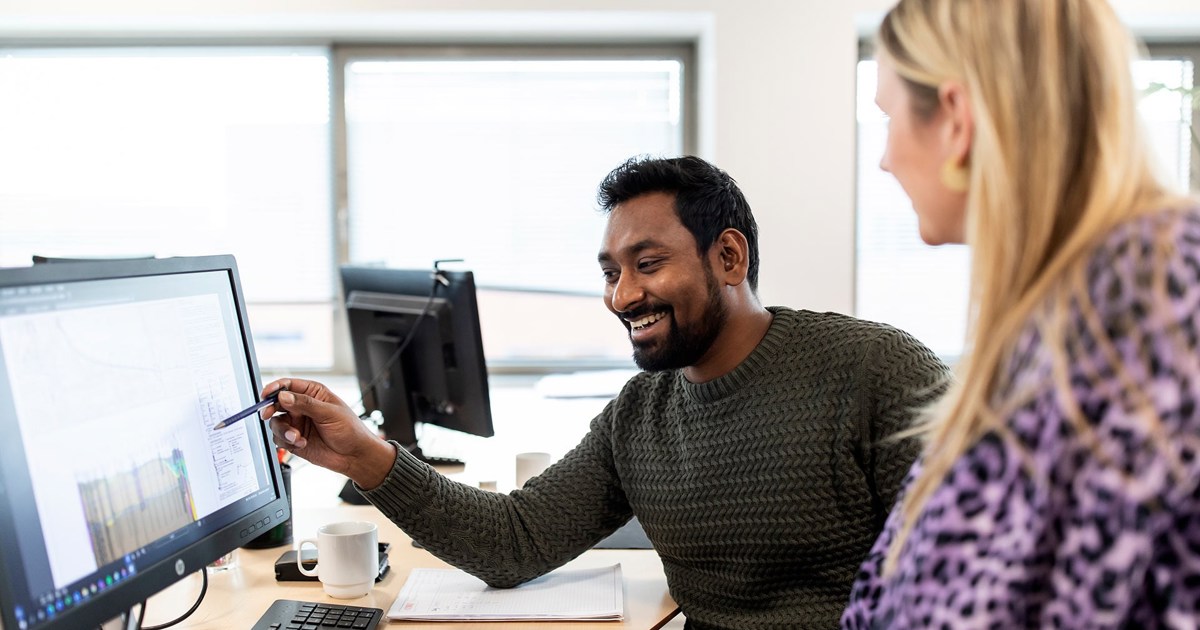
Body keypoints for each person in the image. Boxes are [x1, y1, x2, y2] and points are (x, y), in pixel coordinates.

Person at [264, 156, 949, 629]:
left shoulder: (875, 372)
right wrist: (366, 456)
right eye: (609, 272)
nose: (622, 296)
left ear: (729, 258)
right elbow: (515, 542)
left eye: (647, 264)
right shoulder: (638, 416)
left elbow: (969, 591)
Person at [841, 0, 1200, 627]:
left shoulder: (1156, 293)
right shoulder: (1063, 309)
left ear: (954, 118)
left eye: (887, 116)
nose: (886, 158)